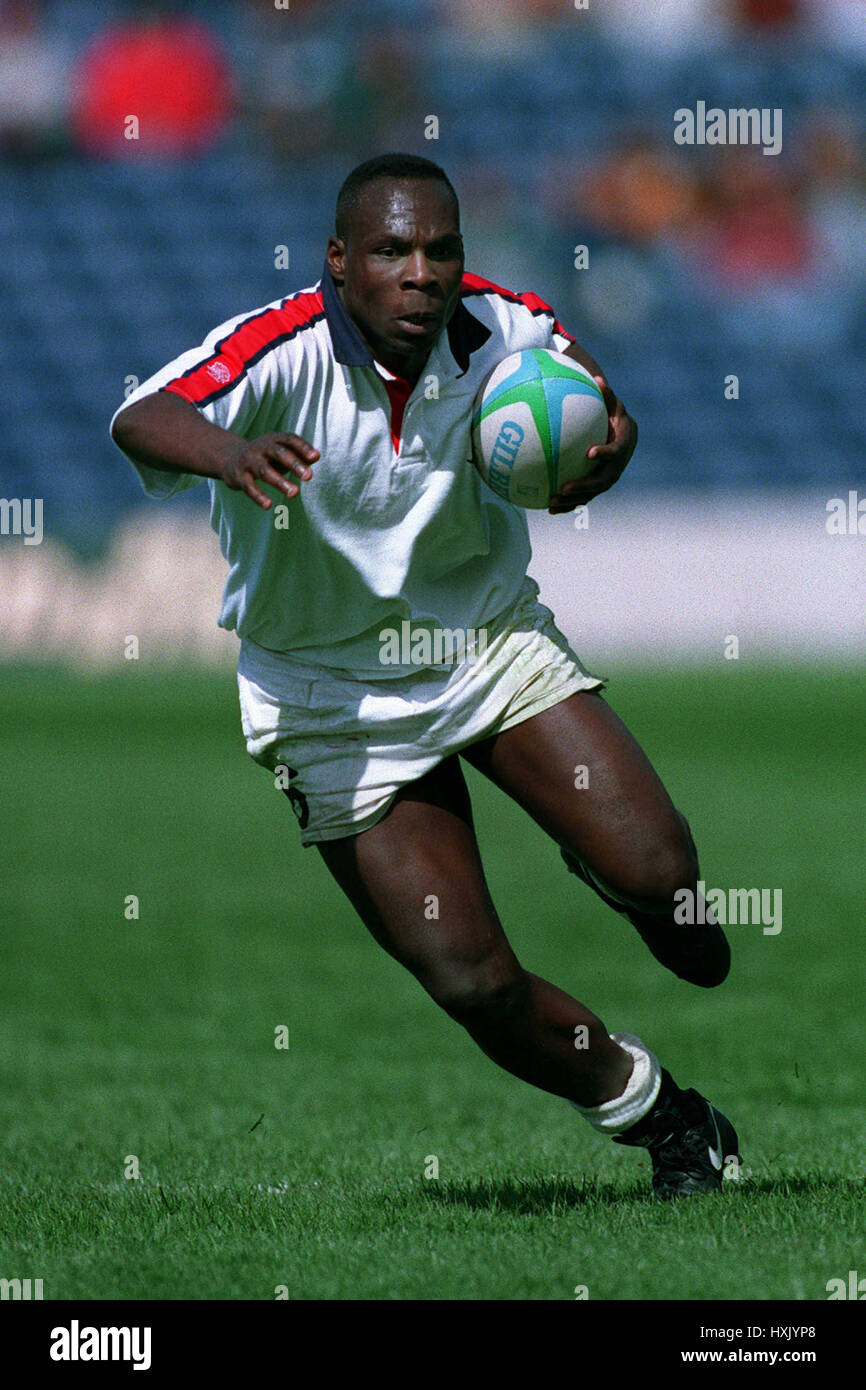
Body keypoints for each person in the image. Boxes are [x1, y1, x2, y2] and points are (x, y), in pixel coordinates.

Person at [111, 152, 739, 1199]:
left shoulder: (511, 328)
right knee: (471, 979)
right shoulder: (279, 347)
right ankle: (662, 1113)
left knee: (660, 873)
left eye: (439, 249)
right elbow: (142, 415)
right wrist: (226, 455)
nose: (419, 272)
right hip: (329, 699)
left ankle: (629, 882)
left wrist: (601, 456)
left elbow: (606, 416)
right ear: (340, 259)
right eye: (392, 250)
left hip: (484, 647)